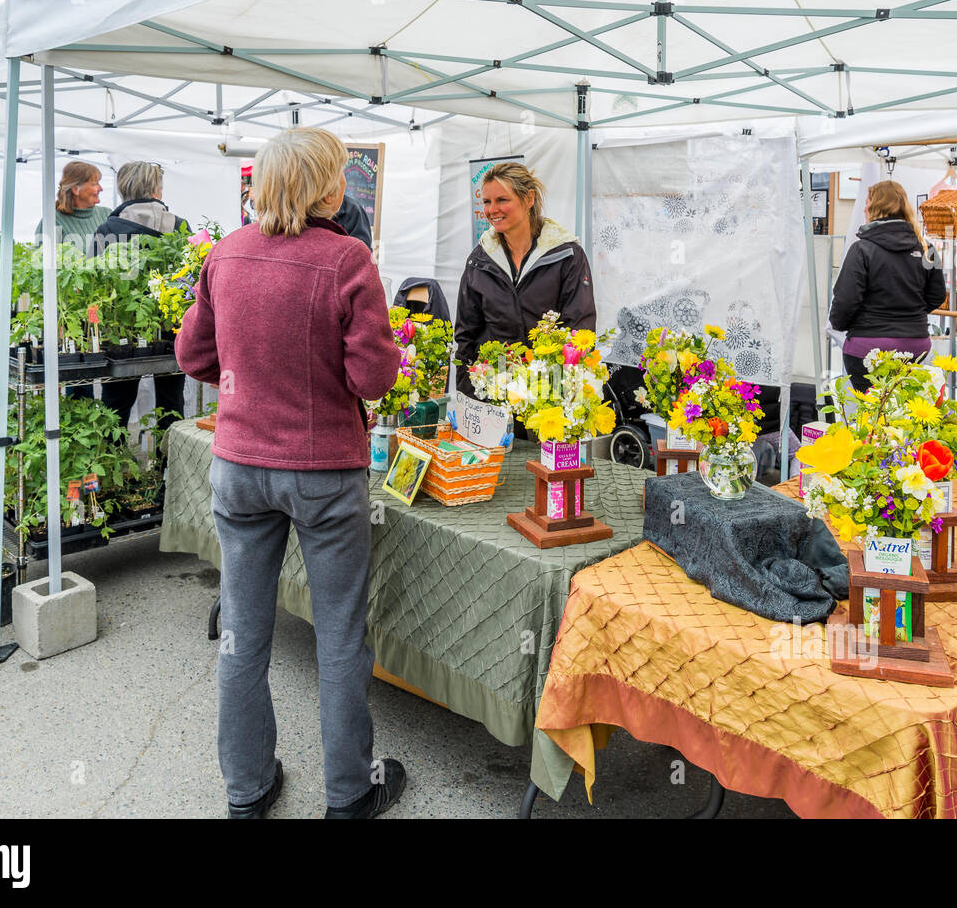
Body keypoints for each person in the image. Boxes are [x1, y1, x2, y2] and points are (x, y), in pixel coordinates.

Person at [175, 126, 406, 819]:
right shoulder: (347, 258)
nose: (343, 185)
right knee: (339, 634)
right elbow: (371, 375)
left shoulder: (225, 253)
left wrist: (250, 377)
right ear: (323, 186)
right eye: (338, 174)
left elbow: (193, 354)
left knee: (244, 634)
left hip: (240, 465)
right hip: (323, 470)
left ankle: (246, 791)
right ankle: (348, 794)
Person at [453, 162, 596, 398]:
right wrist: (467, 398)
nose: (492, 210)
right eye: (487, 202)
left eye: (502, 200)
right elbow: (466, 336)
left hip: (549, 395)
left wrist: (568, 395)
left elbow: (579, 329)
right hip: (493, 393)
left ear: (529, 199)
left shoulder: (566, 256)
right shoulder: (479, 260)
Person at [89, 161, 190, 432]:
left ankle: (116, 468)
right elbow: (189, 281)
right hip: (170, 329)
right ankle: (168, 467)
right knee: (171, 403)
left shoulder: (108, 229)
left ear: (124, 188)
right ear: (156, 187)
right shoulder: (179, 225)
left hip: (122, 332)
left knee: (116, 405)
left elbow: (95, 287)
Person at [829, 180, 944, 392]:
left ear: (876, 206)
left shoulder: (861, 249)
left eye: (867, 202)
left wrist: (839, 323)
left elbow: (845, 299)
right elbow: (937, 295)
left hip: (867, 347)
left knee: (871, 416)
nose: (864, 207)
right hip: (915, 346)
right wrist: (911, 313)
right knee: (904, 416)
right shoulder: (928, 249)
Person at [35, 160, 111, 255]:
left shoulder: (107, 214)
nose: (100, 189)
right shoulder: (52, 221)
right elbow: (43, 261)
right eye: (95, 184)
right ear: (76, 189)